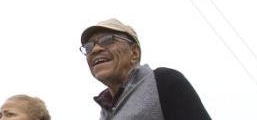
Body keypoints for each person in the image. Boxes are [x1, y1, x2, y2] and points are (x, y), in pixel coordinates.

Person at [80, 18, 211, 119]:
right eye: (88, 47)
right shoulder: (104, 113)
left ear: (134, 53)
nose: (95, 49)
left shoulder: (164, 81)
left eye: (107, 40)